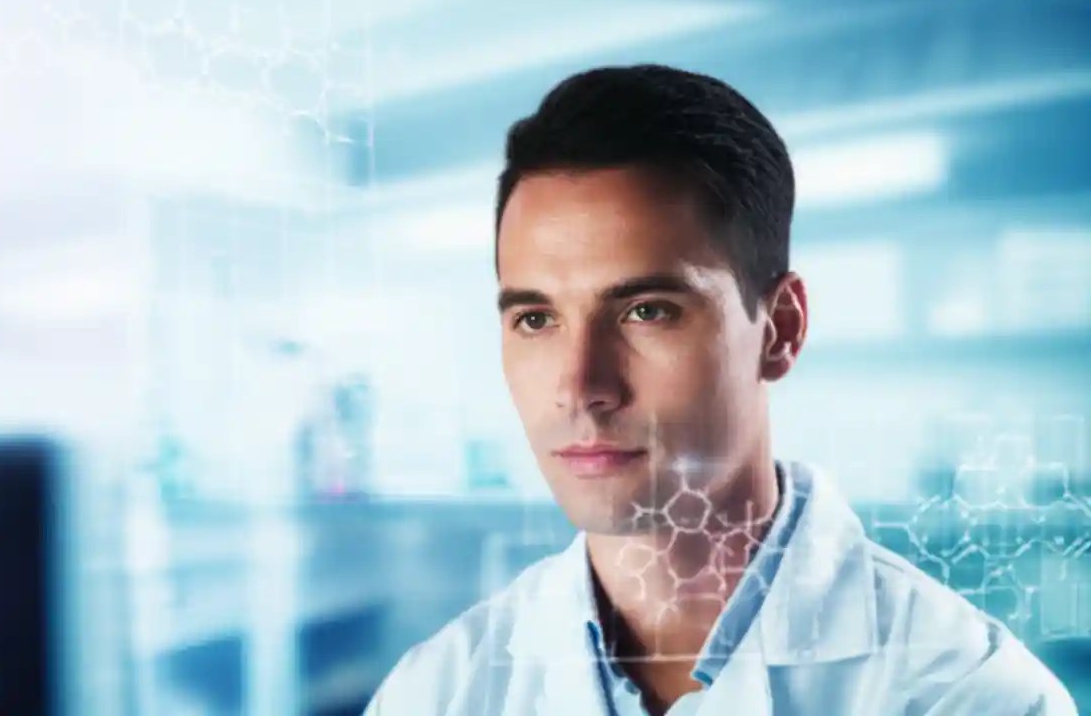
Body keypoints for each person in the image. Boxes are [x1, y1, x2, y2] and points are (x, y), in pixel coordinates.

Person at [363, 64, 1075, 715]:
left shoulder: (970, 696)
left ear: (780, 329)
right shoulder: (437, 692)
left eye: (647, 311)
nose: (580, 387)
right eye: (536, 318)